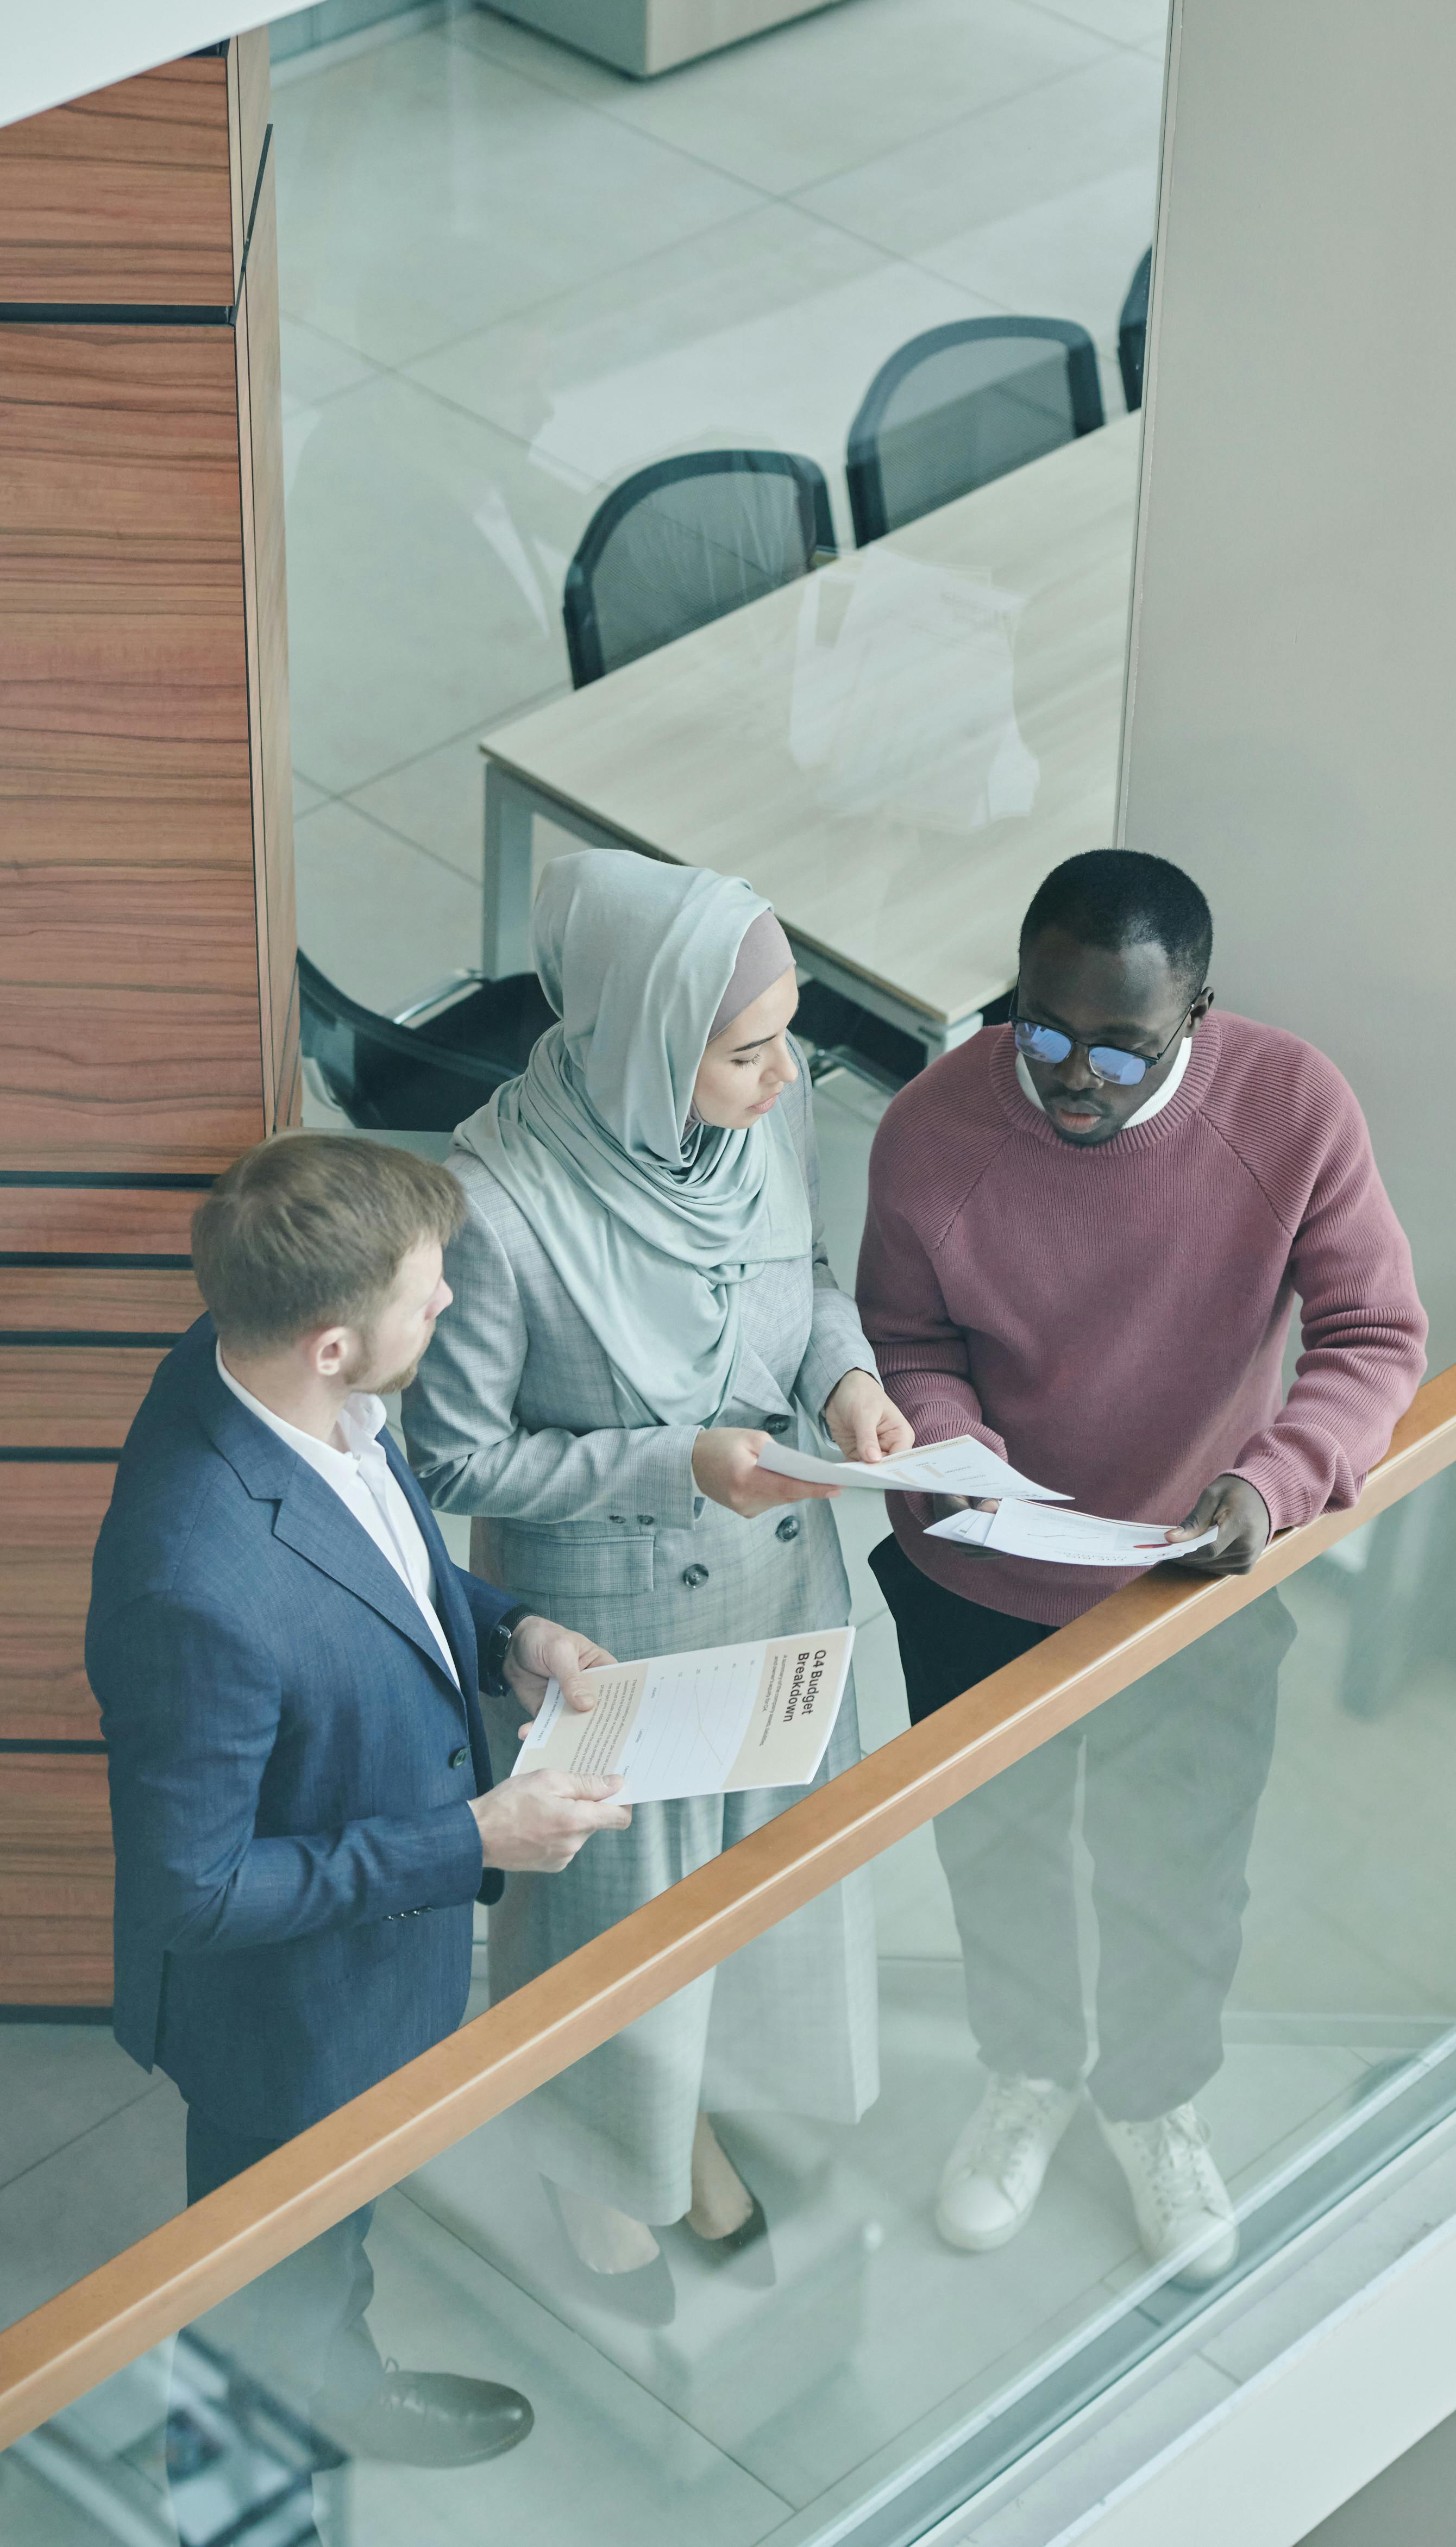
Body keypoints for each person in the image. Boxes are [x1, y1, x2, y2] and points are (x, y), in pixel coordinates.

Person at [856, 850, 1427, 2279]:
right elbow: (906, 1343)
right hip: (976, 1575)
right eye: (1040, 1030)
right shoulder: (933, 1129)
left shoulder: (1289, 1106)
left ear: (1197, 1014)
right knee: (998, 1854)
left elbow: (1372, 1334)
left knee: (1180, 1875)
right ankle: (1027, 2075)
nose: (1072, 1076)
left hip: (1192, 1575)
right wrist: (951, 1445)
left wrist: (1272, 1478)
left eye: (1121, 1045)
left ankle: (1154, 2100)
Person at [406, 850, 911, 2315]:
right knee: (620, 1911)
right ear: (641, 1033)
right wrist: (674, 1463)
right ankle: (596, 2151)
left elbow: (804, 1275)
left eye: (783, 1041)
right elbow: (455, 1462)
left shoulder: (771, 1115)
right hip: (615, 1630)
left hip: (780, 1585)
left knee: (756, 1879)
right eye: (744, 1050)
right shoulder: (492, 1205)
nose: (779, 1079)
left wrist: (849, 1380)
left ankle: (686, 2111)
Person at [87, 1132, 629, 2493]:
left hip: (367, 1974)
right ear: (332, 1340)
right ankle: (229, 2499)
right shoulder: (191, 1582)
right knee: (264, 2268)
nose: (446, 1301)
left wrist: (506, 1635)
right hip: (287, 2019)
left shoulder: (284, 1385)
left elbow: (384, 1574)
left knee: (322, 2244)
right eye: (424, 1291)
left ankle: (331, 2388)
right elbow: (190, 1891)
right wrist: (473, 1841)